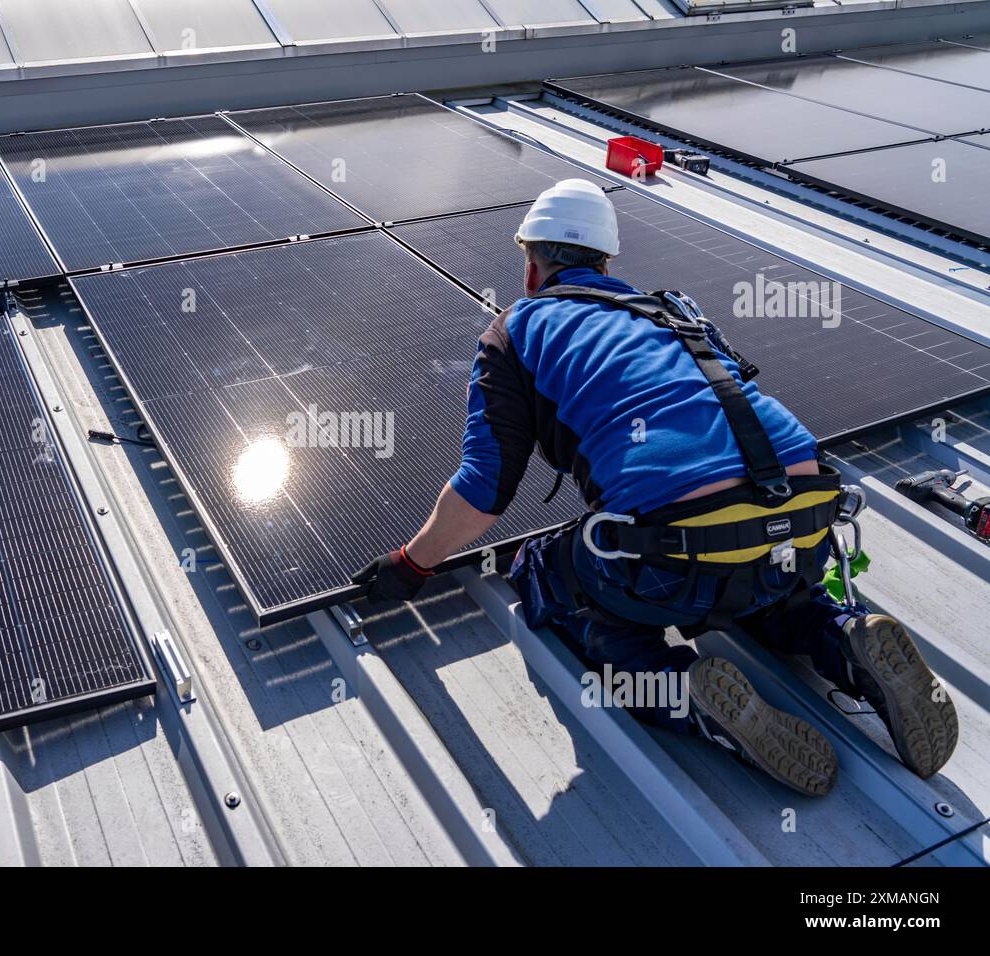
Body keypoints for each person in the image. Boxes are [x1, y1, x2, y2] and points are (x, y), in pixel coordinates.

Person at [352, 179, 958, 795]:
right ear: (609, 264)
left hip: (678, 555)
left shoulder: (516, 331)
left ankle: (686, 694)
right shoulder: (675, 311)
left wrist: (410, 565)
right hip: (802, 527)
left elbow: (485, 491)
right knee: (769, 587)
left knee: (547, 573)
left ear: (531, 270)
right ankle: (843, 641)